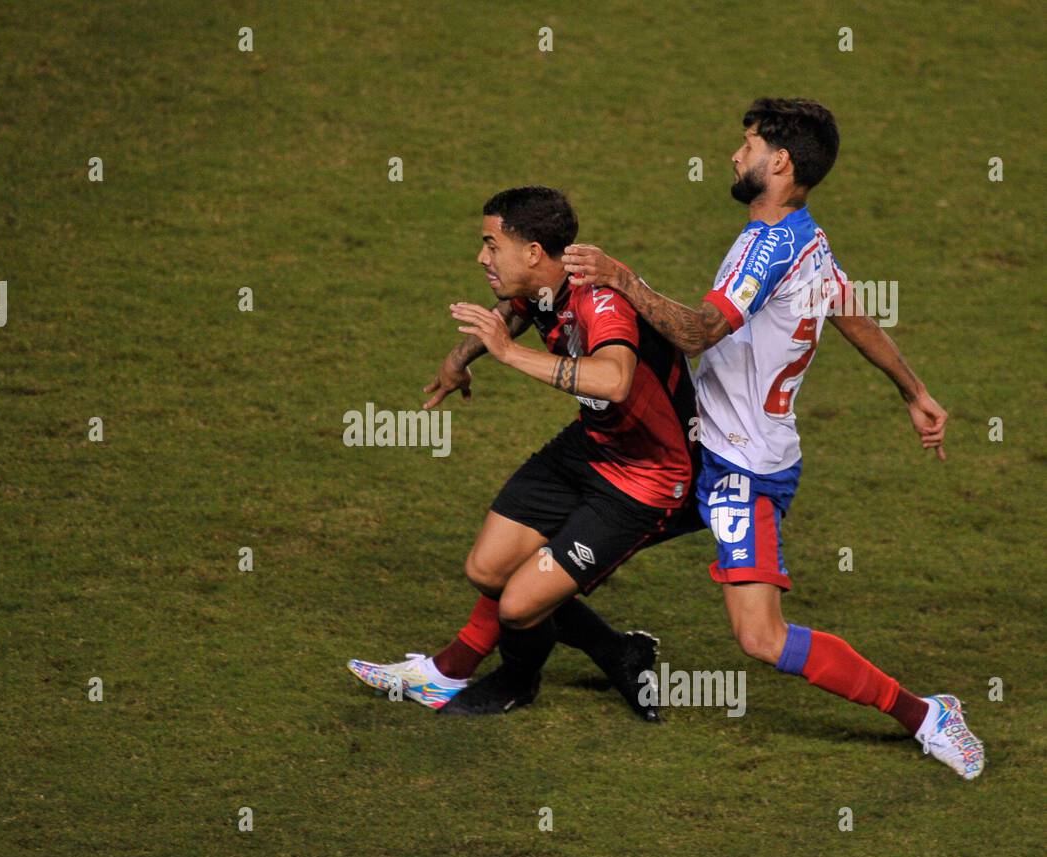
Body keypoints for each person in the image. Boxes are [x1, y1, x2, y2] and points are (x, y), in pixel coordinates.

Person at [561, 98, 983, 778]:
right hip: (699, 445)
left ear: (779, 163)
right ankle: (493, 662)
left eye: (748, 143)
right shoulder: (803, 237)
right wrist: (915, 390)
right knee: (557, 545)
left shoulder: (769, 245)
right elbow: (845, 306)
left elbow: (700, 330)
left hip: (740, 468)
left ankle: (929, 714)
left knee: (760, 635)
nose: (735, 154)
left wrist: (620, 277)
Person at [348, 186, 702, 716]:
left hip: (647, 478)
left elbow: (614, 380)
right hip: (594, 445)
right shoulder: (543, 285)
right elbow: (514, 312)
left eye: (491, 245)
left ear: (533, 251)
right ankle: (618, 651)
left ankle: (512, 683)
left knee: (517, 604)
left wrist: (509, 355)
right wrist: (459, 357)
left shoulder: (599, 298)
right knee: (488, 569)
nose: (481, 257)